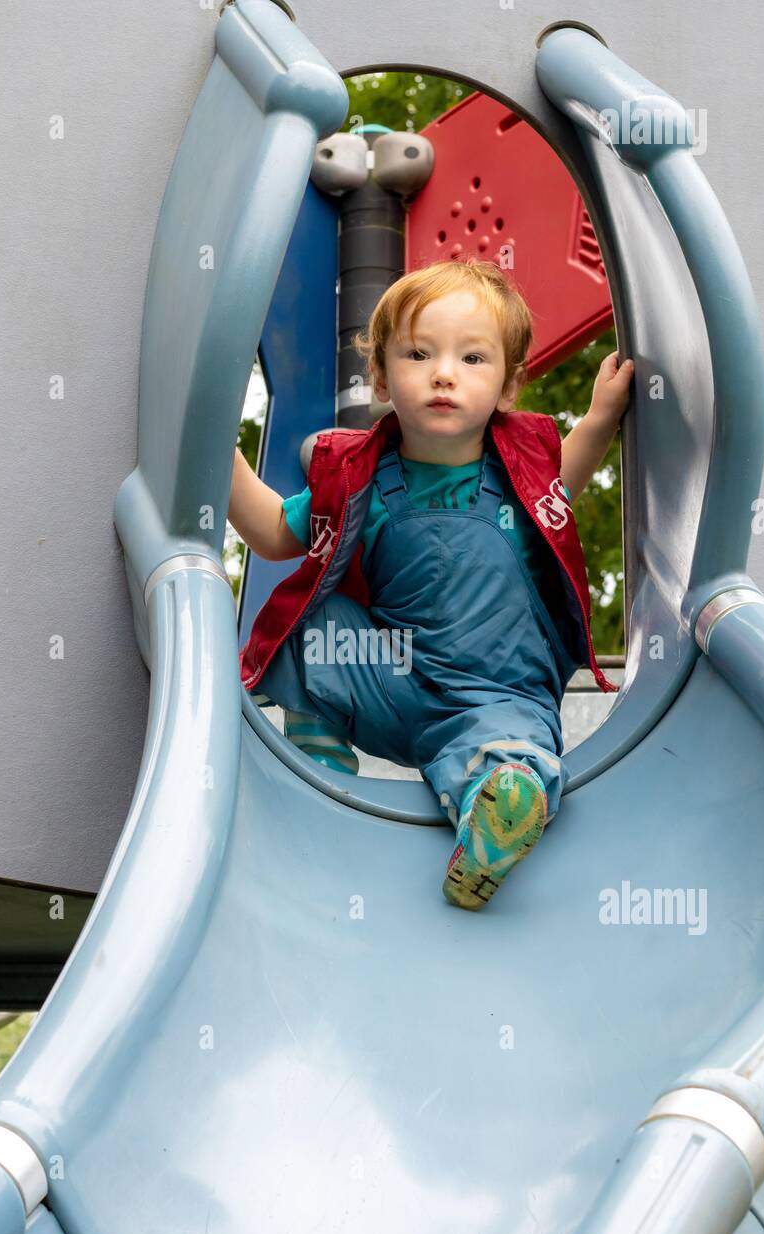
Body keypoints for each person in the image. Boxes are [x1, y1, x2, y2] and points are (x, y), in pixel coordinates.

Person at [229, 258, 633, 910]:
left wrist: (602, 417)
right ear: (384, 379)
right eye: (420, 353)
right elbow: (276, 531)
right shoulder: (363, 481)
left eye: (473, 359)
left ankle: (492, 827)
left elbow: (571, 470)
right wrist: (219, 452)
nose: (444, 372)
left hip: (499, 693)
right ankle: (318, 768)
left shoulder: (522, 476)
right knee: (315, 626)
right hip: (399, 680)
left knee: (505, 756)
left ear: (507, 388)